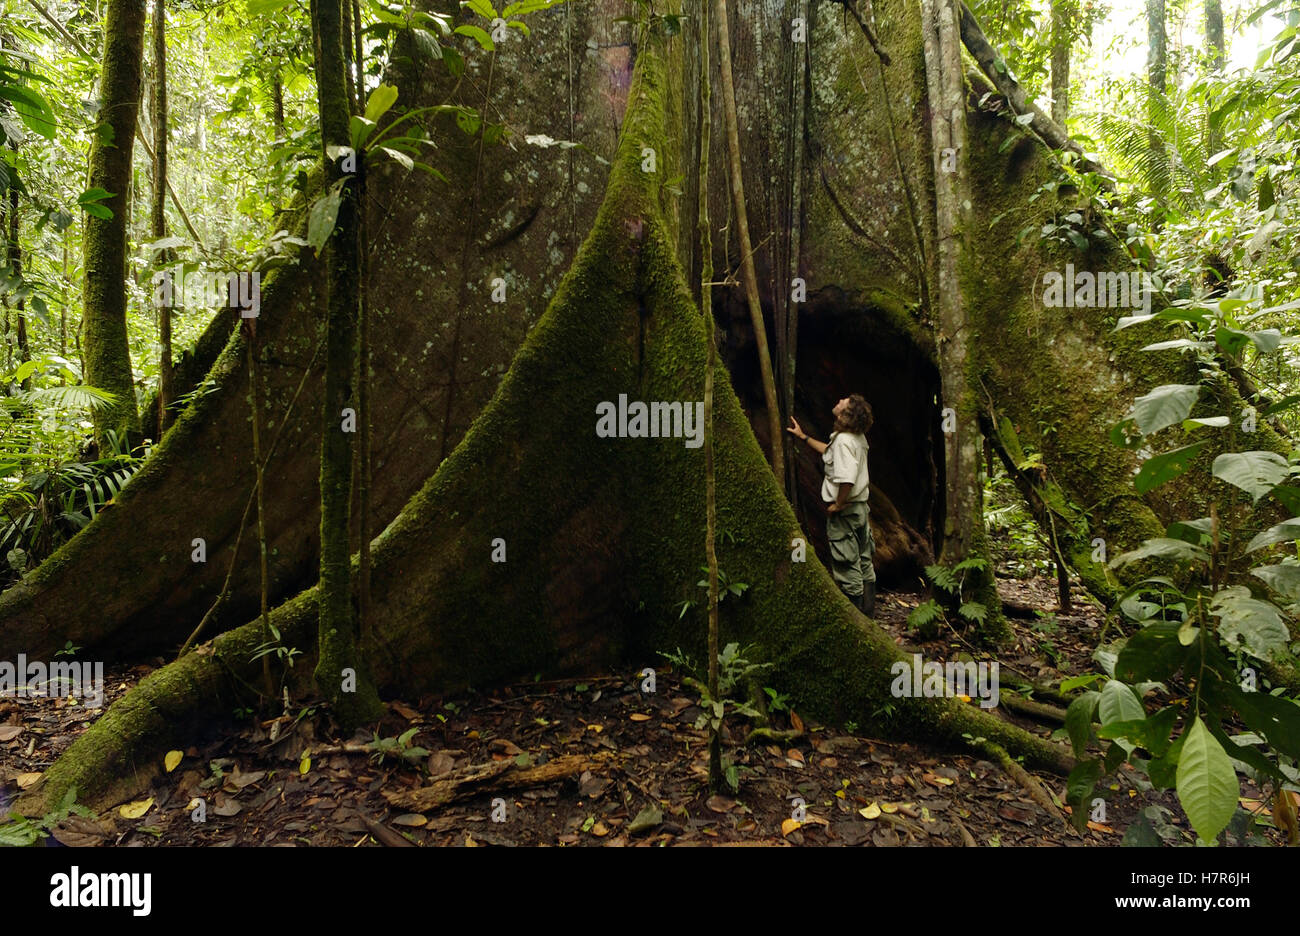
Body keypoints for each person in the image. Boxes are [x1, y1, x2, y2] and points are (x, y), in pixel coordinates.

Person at [787, 394, 876, 615]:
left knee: (847, 565)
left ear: (847, 414)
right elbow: (830, 451)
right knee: (864, 562)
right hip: (860, 509)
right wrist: (803, 437)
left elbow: (847, 478)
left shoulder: (845, 441)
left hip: (845, 511)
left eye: (843, 402)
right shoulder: (854, 437)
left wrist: (838, 503)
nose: (838, 401)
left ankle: (857, 625)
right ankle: (869, 616)